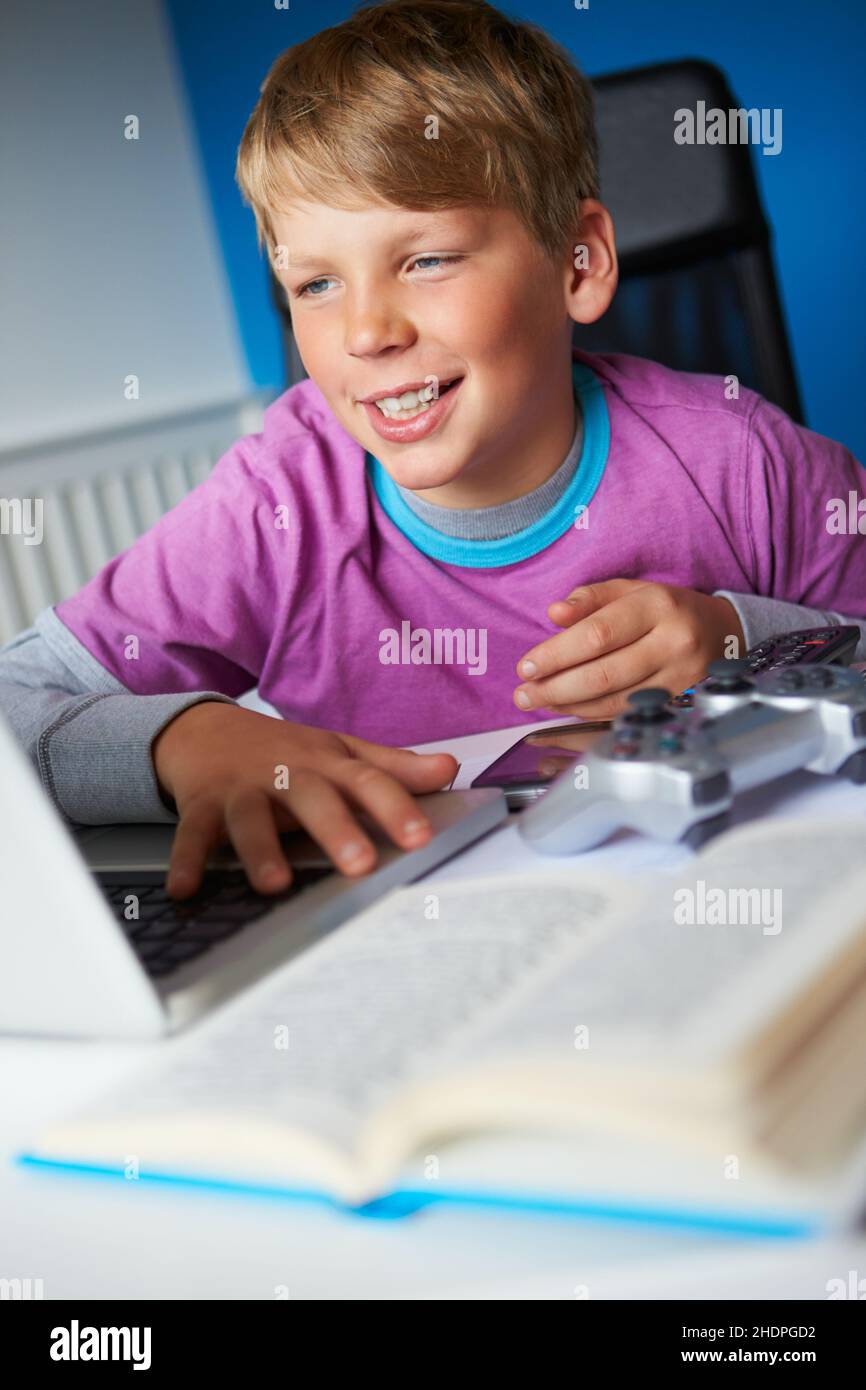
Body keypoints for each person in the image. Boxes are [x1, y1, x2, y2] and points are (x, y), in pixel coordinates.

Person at [3, 0, 864, 899]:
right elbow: (16, 701)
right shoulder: (278, 504)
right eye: (318, 282)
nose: (366, 331)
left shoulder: (742, 461)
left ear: (578, 261)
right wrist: (177, 740)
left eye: (427, 260)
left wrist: (742, 639)